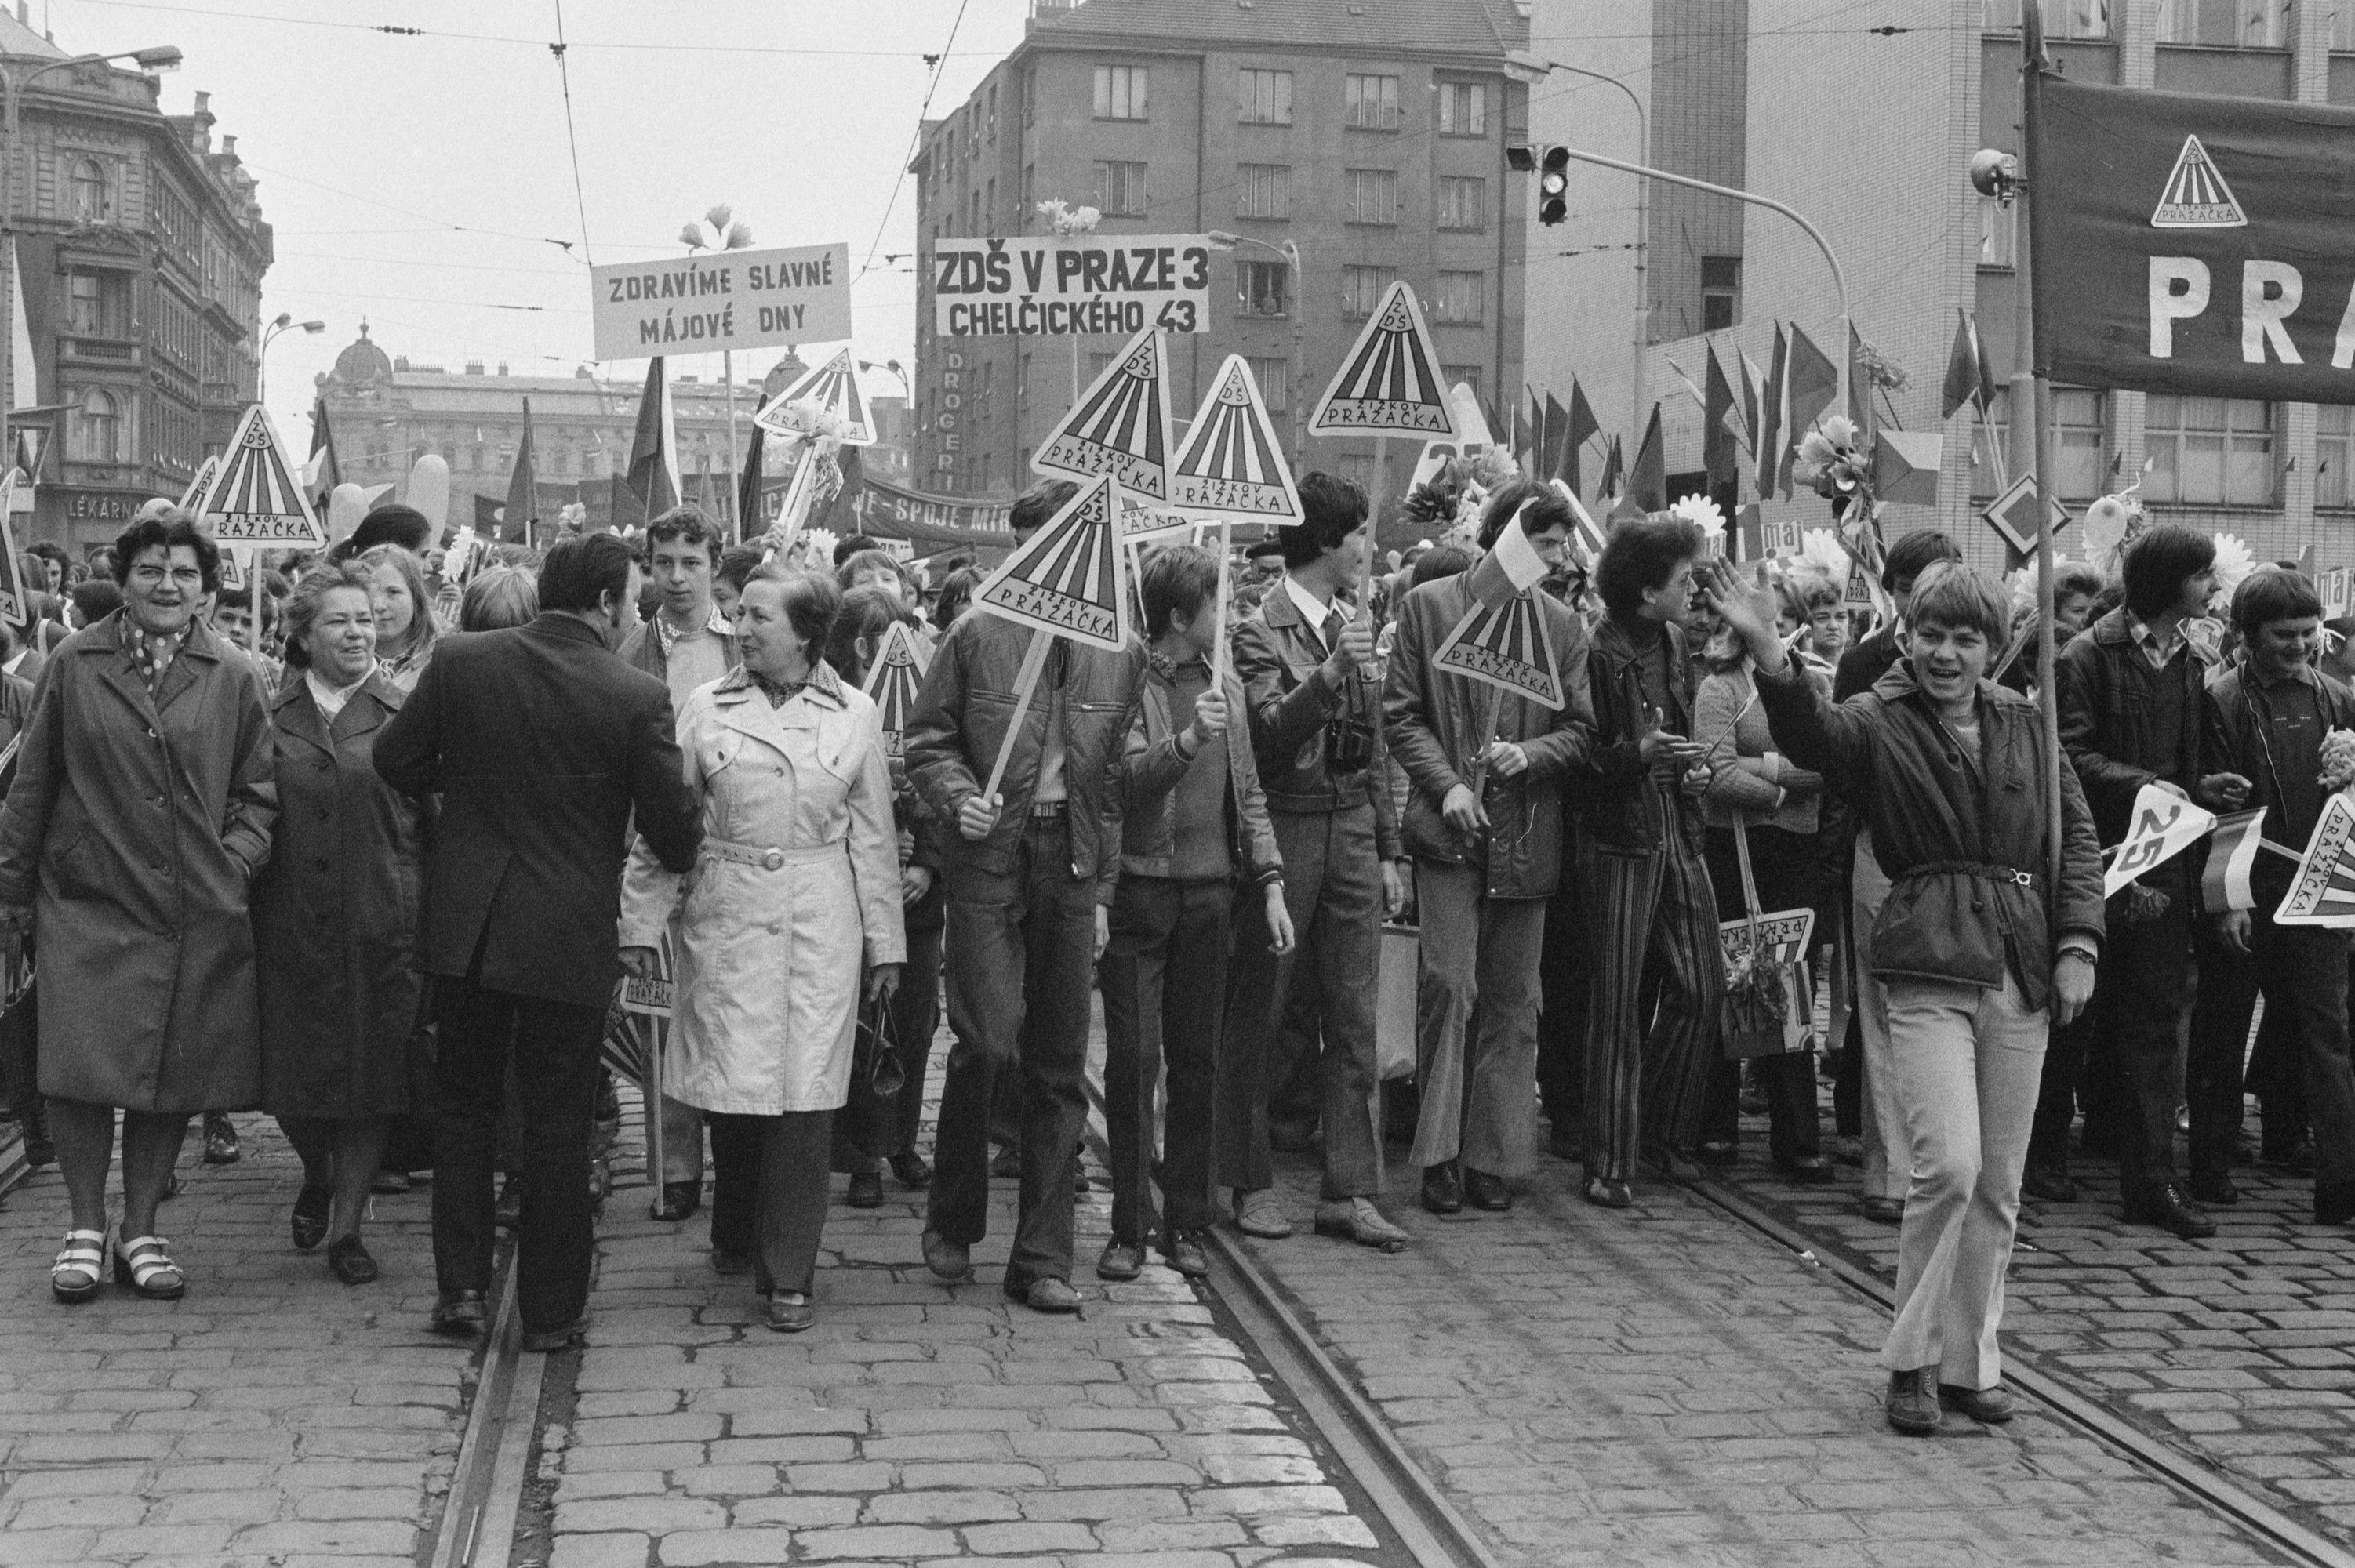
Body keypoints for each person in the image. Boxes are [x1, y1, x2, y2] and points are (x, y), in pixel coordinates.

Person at [1706, 556, 2102, 1436]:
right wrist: (1770, 650)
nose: (1945, 654)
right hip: (1927, 956)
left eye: (1965, 638)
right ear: (1906, 636)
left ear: (1995, 647)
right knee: (1948, 1166)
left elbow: (2074, 840)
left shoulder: (2026, 720)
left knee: (1997, 1183)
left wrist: (2078, 942)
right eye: (1929, 634)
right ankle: (1911, 1360)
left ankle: (1969, 1364)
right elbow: (1813, 738)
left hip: (2022, 964)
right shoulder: (1878, 718)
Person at [373, 532, 700, 1350]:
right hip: (567, 928)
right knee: (559, 1120)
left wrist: (468, 794)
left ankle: (461, 1291)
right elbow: (674, 830)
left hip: (471, 927)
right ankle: (552, 1310)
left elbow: (394, 757)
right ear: (606, 603)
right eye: (631, 600)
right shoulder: (634, 693)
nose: (634, 615)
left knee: (464, 1109)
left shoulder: (462, 660)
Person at [0, 512, 275, 1303]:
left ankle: (143, 1228)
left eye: (185, 572)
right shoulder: (76, 662)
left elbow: (259, 793)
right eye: (151, 570)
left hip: (193, 906)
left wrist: (233, 863)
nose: (167, 585)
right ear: (122, 581)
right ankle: (85, 1227)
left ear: (207, 587)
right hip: (87, 899)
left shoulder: (234, 673)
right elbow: (33, 783)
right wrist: (11, 893)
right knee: (79, 1068)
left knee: (171, 1074)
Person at [619, 567, 903, 1331]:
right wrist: (640, 923)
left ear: (807, 633)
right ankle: (737, 1225)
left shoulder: (854, 714)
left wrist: (886, 947)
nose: (740, 628)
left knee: (806, 1096)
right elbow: (669, 823)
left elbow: (874, 840)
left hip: (820, 919)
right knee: (737, 1089)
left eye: (759, 617)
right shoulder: (707, 707)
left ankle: (789, 1274)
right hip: (728, 912)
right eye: (739, 614)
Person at [903, 478, 1147, 1313]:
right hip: (989, 858)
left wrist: (1103, 889)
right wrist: (955, 793)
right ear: (1025, 551)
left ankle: (1042, 1257)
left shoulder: (1120, 649)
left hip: (1070, 863)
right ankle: (954, 1213)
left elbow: (1109, 785)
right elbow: (926, 739)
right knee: (987, 1041)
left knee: (1060, 1059)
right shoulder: (976, 633)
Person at [1383, 485, 1591, 1214]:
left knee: (1513, 1000)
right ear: (1503, 538)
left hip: (1526, 838)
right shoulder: (1428, 607)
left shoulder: (1560, 626)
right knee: (1448, 986)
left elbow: (1579, 729)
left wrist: (1529, 755)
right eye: (1545, 544)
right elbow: (1400, 714)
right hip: (1449, 837)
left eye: (1562, 546)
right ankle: (1438, 1153)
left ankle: (1491, 1156)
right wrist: (1445, 786)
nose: (1556, 559)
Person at [1218, 471, 1410, 1249]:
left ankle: (1350, 1188)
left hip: (1352, 829)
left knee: (1355, 1015)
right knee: (1264, 1011)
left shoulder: (1355, 619)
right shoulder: (1258, 629)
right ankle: (1249, 1180)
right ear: (1328, 540)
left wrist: (1388, 848)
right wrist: (1330, 675)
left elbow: (1375, 748)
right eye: (1360, 531)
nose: (1368, 545)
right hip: (1288, 828)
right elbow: (1265, 737)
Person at [1099, 545, 1290, 1281]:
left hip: (1211, 896)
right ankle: (1127, 1225)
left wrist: (1269, 880)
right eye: (1219, 603)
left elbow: (1249, 792)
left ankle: (1186, 1221)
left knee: (1197, 1062)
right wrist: (1184, 743)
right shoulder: (1127, 680)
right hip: (1142, 892)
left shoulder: (1227, 684)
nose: (1230, 613)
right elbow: (1124, 785)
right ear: (1180, 617)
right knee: (1133, 1059)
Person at [2041, 525, 2238, 1238]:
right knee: (2073, 1014)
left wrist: (2199, 786)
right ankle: (2041, 1154)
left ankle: (2150, 1184)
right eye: (2201, 575)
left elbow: (2180, 763)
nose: (2212, 586)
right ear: (2164, 581)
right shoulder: (2084, 655)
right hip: (2095, 861)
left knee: (2154, 1019)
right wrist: (2147, 784)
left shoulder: (2189, 657)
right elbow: (2065, 756)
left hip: (2165, 859)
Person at [253, 564, 425, 1285]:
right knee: (286, 1080)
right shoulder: (268, 715)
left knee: (371, 1079)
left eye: (365, 620)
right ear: (302, 636)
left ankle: (349, 1227)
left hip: (380, 925)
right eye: (338, 621)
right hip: (287, 925)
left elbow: (436, 823)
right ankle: (317, 1171)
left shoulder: (406, 714)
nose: (358, 633)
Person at [2186, 568, 2355, 1227]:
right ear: (2247, 635)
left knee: (2327, 1034)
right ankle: (2209, 1166)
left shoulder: (2337, 698)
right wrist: (2227, 899)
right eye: (2284, 635)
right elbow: (2217, 813)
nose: (2300, 645)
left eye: (2309, 632)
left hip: (2316, 892)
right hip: (2247, 890)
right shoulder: (2220, 699)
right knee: (2222, 1029)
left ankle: (2339, 1185)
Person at [1567, 515, 1717, 1208]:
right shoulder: (1595, 651)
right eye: (1683, 580)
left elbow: (1675, 730)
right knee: (1617, 1003)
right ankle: (1608, 1159)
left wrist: (1688, 768)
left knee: (1703, 987)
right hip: (1617, 833)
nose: (1694, 591)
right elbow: (1579, 758)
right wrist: (1638, 755)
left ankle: (1656, 1128)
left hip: (1675, 821)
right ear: (1647, 590)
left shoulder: (1676, 641)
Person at [1837, 528, 1966, 1224]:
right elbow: (1841, 757)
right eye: (1917, 593)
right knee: (1884, 1007)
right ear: (1893, 594)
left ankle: (1947, 1162)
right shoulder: (1864, 662)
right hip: (1882, 847)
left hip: (1957, 859)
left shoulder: (1982, 657)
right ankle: (1888, 1172)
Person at [615, 504, 738, 1222]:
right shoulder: (631, 649)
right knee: (659, 1016)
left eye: (692, 563)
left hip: (729, 851)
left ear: (714, 567)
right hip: (655, 850)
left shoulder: (743, 641)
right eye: (664, 563)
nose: (678, 578)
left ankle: (737, 1156)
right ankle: (676, 1167)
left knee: (724, 1011)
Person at [1692, 577, 1837, 1181]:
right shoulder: (1719, 687)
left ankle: (1796, 1135)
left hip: (1794, 853)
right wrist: (1781, 789)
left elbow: (1825, 767)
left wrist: (1761, 770)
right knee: (1735, 978)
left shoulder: (1813, 686)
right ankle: (1715, 1126)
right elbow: (1712, 772)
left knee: (1786, 983)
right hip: (1735, 848)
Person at [824, 586, 945, 1206]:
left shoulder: (927, 698)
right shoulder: (834, 706)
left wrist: (926, 861)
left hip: (916, 904)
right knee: (862, 1023)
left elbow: (947, 779)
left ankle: (901, 1140)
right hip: (850, 895)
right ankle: (860, 1154)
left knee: (915, 1023)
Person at [359, 543, 438, 695]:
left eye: (393, 592)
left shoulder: (439, 662)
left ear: (415, 596)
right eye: (368, 594)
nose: (379, 605)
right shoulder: (337, 658)